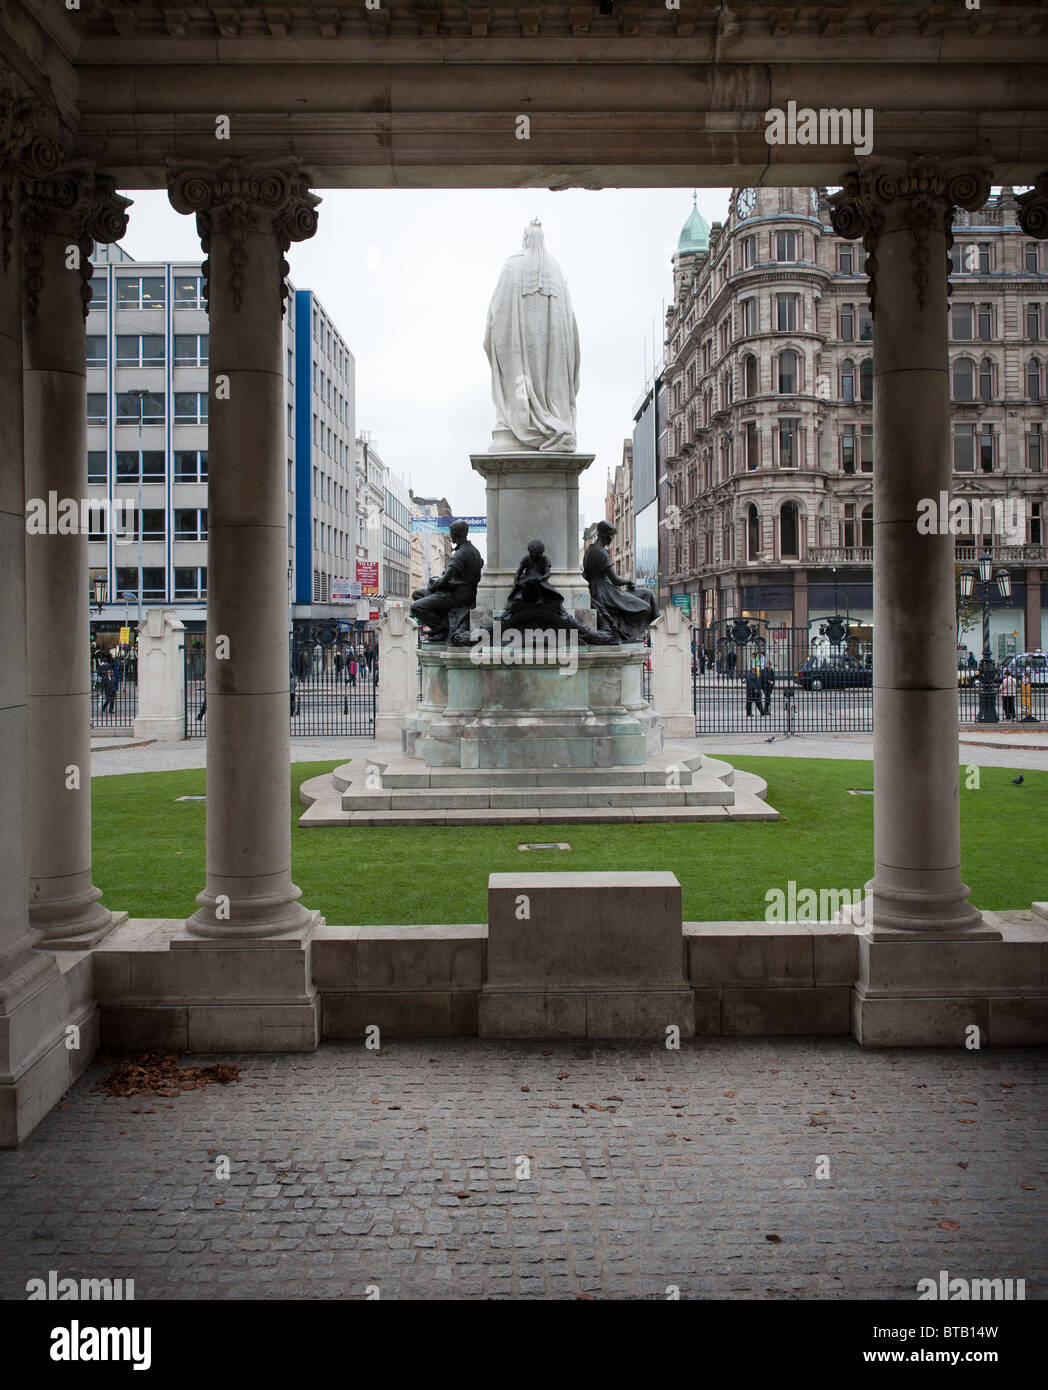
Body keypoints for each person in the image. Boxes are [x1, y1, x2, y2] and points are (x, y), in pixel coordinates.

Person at [582, 520, 658, 643]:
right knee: (644, 607)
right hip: (603, 591)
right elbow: (615, 580)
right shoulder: (600, 552)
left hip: (604, 588)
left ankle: (652, 626)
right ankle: (627, 633)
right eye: (611, 535)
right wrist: (628, 581)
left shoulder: (591, 549)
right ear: (606, 536)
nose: (612, 539)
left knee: (648, 594)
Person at [410, 520, 484, 644]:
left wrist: (433, 587)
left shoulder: (461, 553)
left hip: (459, 595)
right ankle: (442, 624)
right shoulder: (474, 551)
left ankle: (441, 630)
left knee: (416, 606)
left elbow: (445, 579)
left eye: (451, 533)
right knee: (417, 594)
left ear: (454, 534)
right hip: (464, 591)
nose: (450, 536)